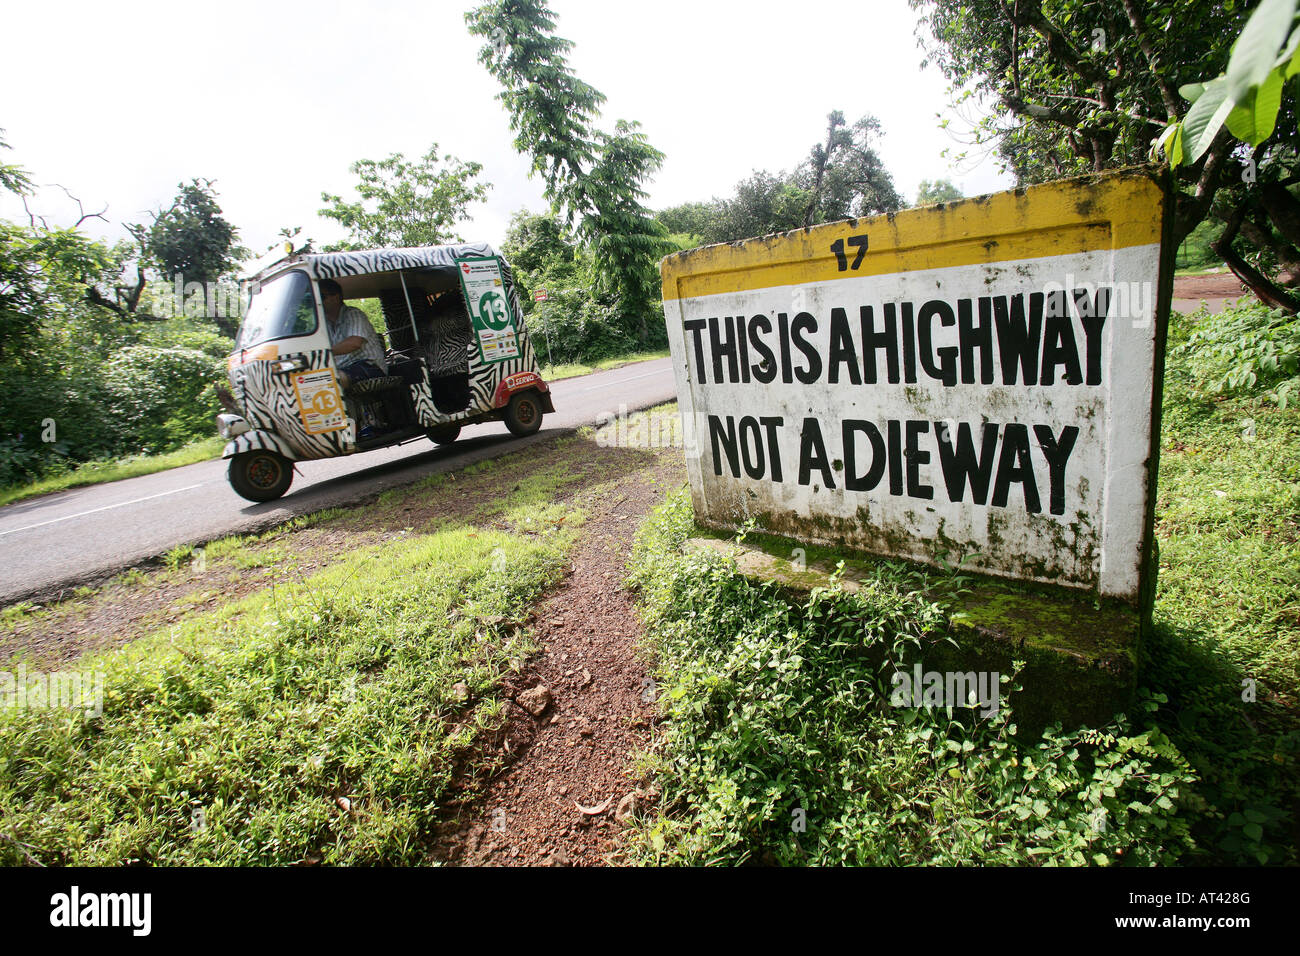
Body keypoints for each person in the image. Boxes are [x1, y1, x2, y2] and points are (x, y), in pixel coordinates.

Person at [319, 279, 387, 388]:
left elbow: (354, 343)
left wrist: (324, 352)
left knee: (332, 382)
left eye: (321, 297)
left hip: (370, 366)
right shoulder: (325, 324)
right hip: (345, 368)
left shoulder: (353, 314)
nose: (317, 302)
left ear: (335, 297)